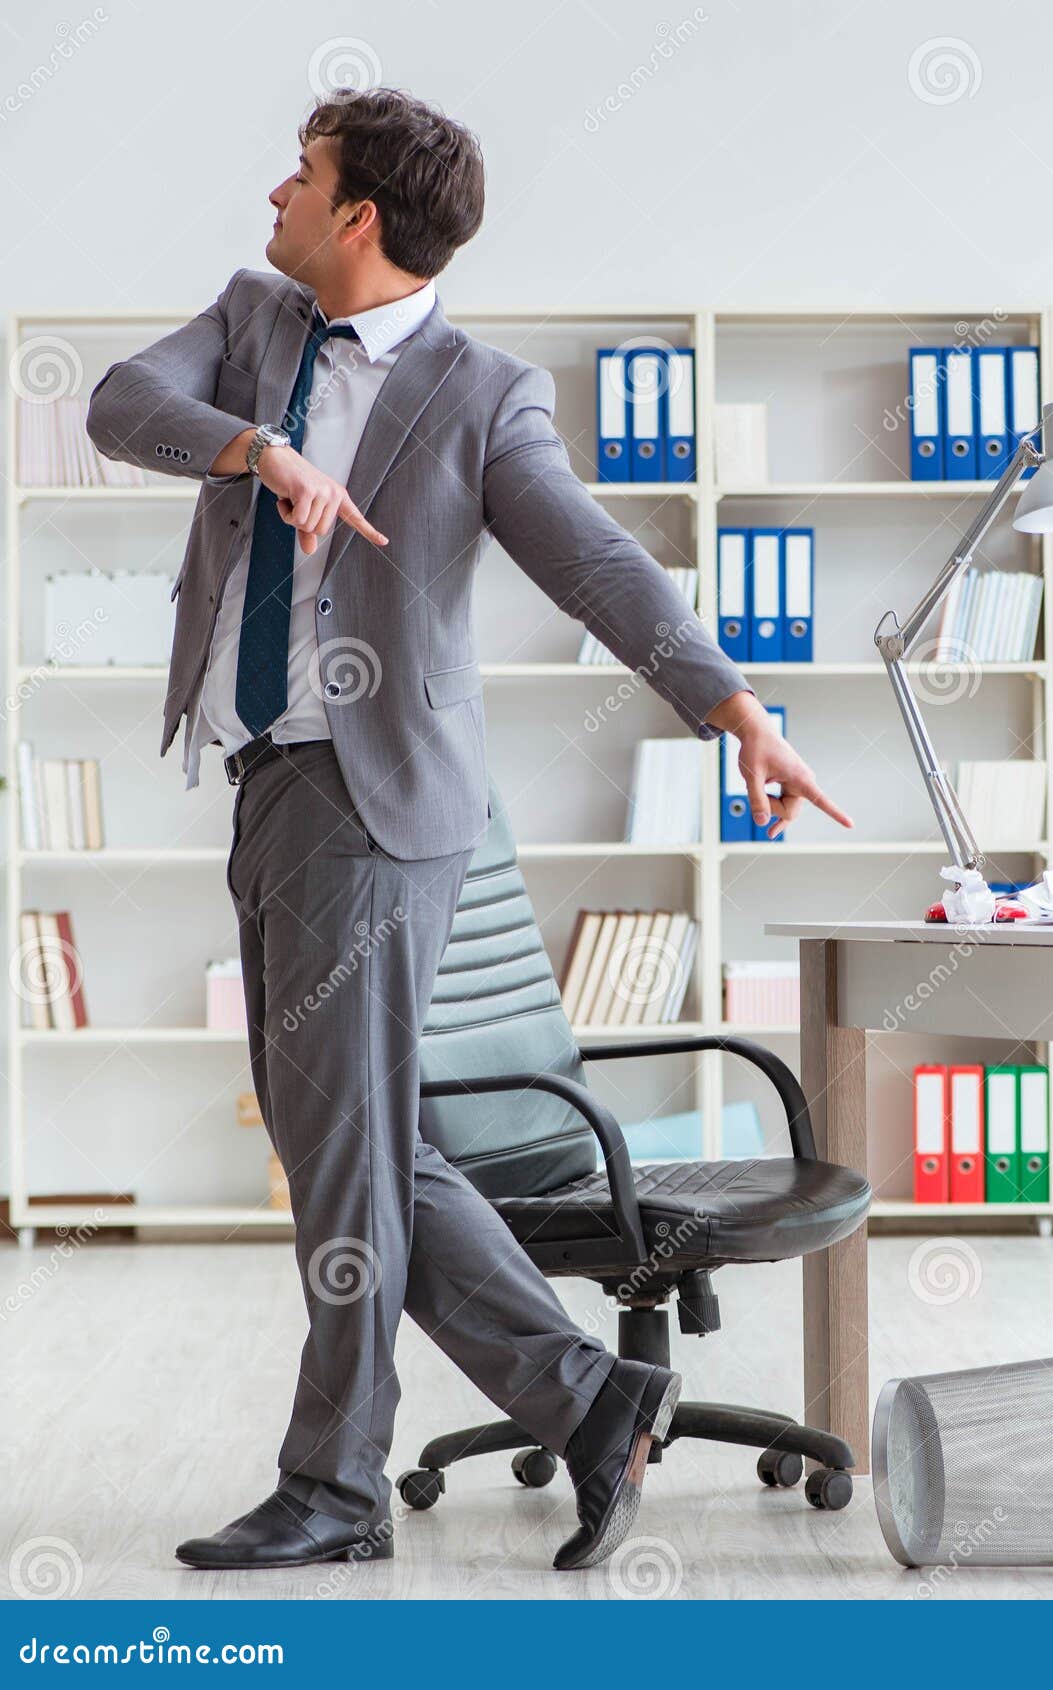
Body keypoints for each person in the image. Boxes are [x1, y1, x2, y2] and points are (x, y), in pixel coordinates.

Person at [85, 86, 851, 1574]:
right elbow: (120, 405)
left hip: (376, 810)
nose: (273, 202)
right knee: (349, 1149)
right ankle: (594, 1394)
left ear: (358, 215)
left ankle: (337, 1484)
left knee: (344, 1159)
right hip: (268, 780)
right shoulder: (252, 322)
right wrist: (261, 450)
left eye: (298, 180)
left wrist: (734, 708)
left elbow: (596, 566)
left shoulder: (481, 392)